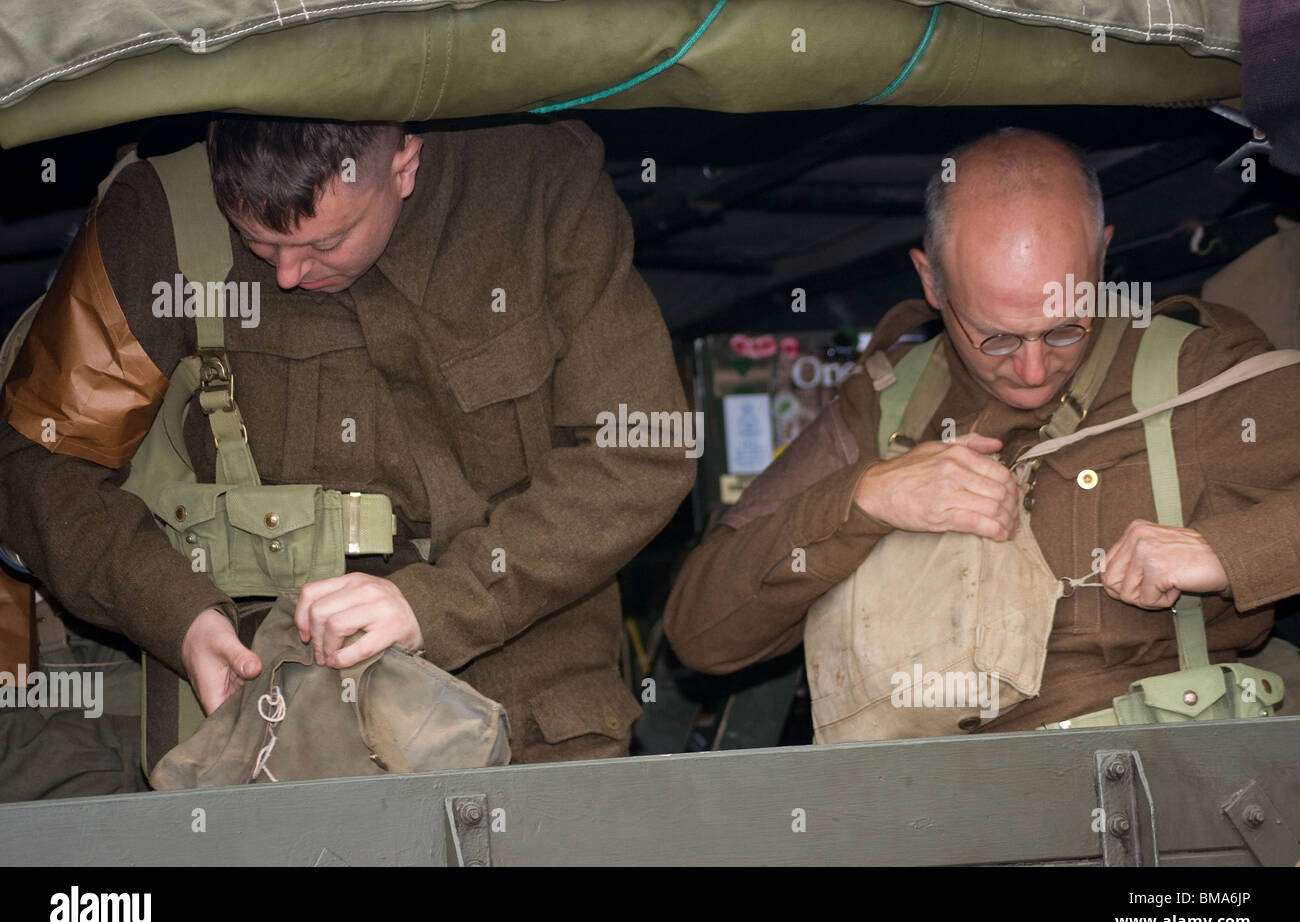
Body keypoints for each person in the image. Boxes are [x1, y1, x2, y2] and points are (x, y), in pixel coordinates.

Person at [0, 114, 696, 772]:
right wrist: (176, 615)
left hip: (533, 727)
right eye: (257, 241)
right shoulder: (164, 214)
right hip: (270, 743)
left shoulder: (537, 184)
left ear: (405, 163)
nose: (287, 275)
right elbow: (37, 460)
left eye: (325, 244)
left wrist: (445, 601)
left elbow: (642, 448)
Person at [664, 127, 1300, 733]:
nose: (1032, 369)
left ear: (1102, 257)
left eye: (1064, 327)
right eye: (996, 337)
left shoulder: (1197, 375)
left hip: (1149, 773)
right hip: (932, 789)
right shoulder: (886, 407)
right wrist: (865, 498)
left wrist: (1228, 549)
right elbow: (700, 632)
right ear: (931, 281)